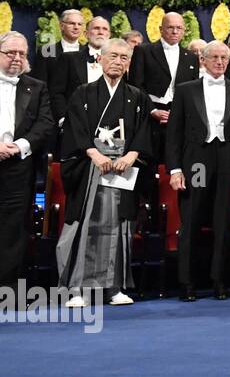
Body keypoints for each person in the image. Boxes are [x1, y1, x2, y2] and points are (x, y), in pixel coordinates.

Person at [54, 39, 151, 308]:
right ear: (100, 59)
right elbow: (75, 128)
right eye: (113, 56)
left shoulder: (136, 96)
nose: (118, 62)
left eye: (124, 57)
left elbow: (143, 131)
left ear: (129, 63)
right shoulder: (83, 93)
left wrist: (132, 155)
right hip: (90, 169)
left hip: (122, 170)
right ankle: (78, 289)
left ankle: (113, 287)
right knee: (88, 225)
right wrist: (93, 153)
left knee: (118, 227)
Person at [166, 41, 230, 301]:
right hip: (197, 162)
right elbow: (174, 134)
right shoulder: (185, 90)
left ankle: (219, 281)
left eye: (224, 58)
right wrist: (174, 170)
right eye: (214, 57)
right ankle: (187, 282)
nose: (220, 62)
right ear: (202, 61)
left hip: (228, 160)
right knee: (192, 218)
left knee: (223, 222)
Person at [129, 12, 200, 214]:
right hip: (150, 115)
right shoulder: (144, 51)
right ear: (161, 29)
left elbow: (192, 91)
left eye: (179, 28)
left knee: (177, 164)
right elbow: (135, 86)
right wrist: (152, 110)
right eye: (170, 27)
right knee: (149, 167)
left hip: (179, 118)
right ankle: (148, 212)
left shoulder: (190, 56)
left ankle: (177, 212)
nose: (175, 31)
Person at [0, 33, 55, 290]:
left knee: (14, 227)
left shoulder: (36, 86)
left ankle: (8, 287)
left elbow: (45, 124)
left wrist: (19, 146)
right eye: (11, 53)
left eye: (22, 54)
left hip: (18, 166)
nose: (17, 58)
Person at [51, 16, 110, 118]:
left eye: (104, 29)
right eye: (96, 28)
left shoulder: (117, 61)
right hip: (76, 120)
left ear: (109, 35)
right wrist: (63, 118)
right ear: (86, 34)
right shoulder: (69, 58)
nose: (100, 32)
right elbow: (56, 93)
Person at [33, 9, 84, 84]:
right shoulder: (47, 51)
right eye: (72, 23)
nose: (76, 27)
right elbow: (40, 83)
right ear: (61, 26)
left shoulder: (88, 51)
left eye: (79, 24)